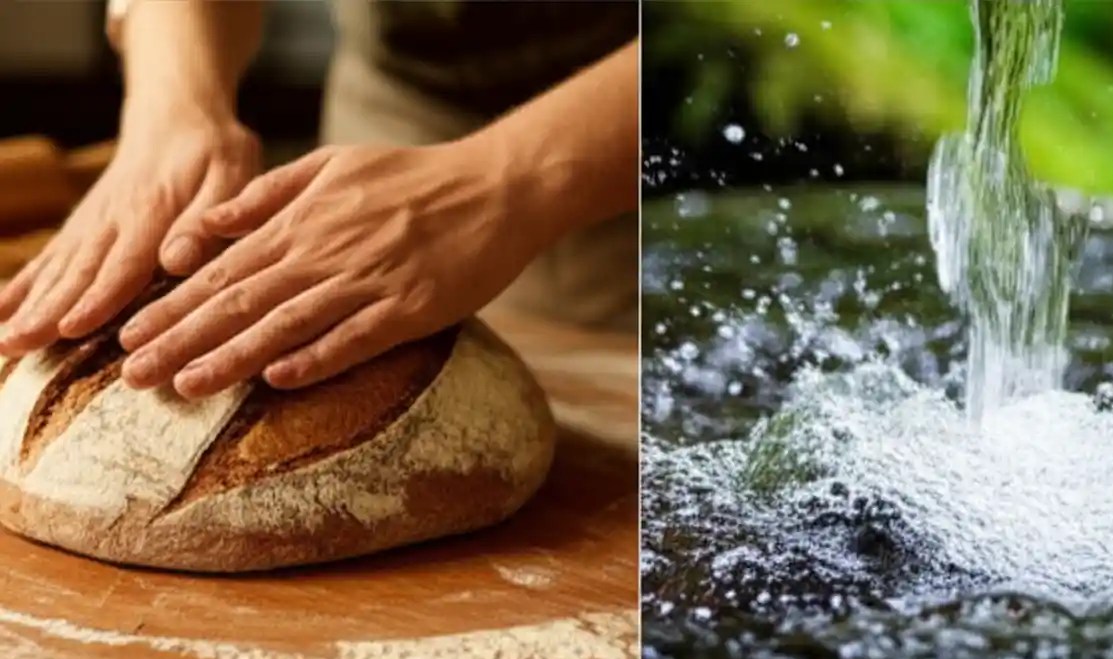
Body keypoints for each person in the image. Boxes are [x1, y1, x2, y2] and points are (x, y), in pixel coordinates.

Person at [0, 1, 637, 401]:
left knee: (595, 397)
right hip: (401, 96)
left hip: (629, 118)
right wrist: (173, 107)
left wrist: (506, 182)